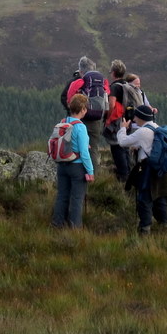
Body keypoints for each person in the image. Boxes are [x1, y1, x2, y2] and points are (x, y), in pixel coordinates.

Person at [117, 105, 167, 234]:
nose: (134, 118)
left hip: (147, 169)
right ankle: (165, 226)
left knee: (144, 198)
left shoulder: (142, 132)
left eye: (136, 116)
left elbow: (122, 142)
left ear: (141, 117)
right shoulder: (158, 128)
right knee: (160, 197)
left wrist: (123, 129)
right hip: (160, 170)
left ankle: (145, 228)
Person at [51, 93, 95, 228]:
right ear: (82, 110)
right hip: (77, 167)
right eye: (86, 108)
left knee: (62, 196)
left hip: (62, 165)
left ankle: (57, 224)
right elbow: (84, 153)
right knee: (76, 199)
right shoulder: (80, 127)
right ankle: (75, 228)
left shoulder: (63, 122)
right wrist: (90, 171)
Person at [64, 57, 110, 172]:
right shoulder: (102, 82)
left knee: (76, 147)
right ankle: (95, 175)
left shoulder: (79, 82)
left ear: (80, 71)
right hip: (97, 120)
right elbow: (107, 96)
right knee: (93, 148)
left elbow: (69, 99)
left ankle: (78, 173)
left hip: (80, 119)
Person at [105, 60, 141, 183]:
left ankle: (123, 176)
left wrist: (106, 119)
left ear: (113, 73)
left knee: (116, 147)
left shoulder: (115, 87)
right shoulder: (127, 85)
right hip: (128, 120)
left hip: (117, 121)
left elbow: (111, 105)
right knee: (125, 146)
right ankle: (129, 174)